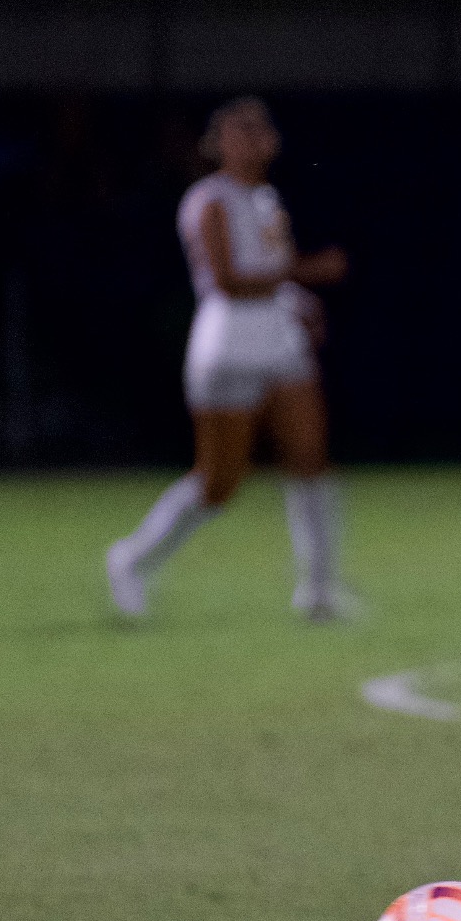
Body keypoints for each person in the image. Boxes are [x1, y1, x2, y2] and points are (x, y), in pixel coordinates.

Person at [105, 96, 352, 621]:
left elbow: (273, 267)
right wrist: (308, 275)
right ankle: (130, 559)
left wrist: (298, 301)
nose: (255, 137)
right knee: (219, 483)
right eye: (241, 130)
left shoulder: (266, 198)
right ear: (220, 143)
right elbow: (226, 281)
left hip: (279, 340)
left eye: (261, 128)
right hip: (228, 346)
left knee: (309, 458)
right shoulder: (208, 199)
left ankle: (319, 591)